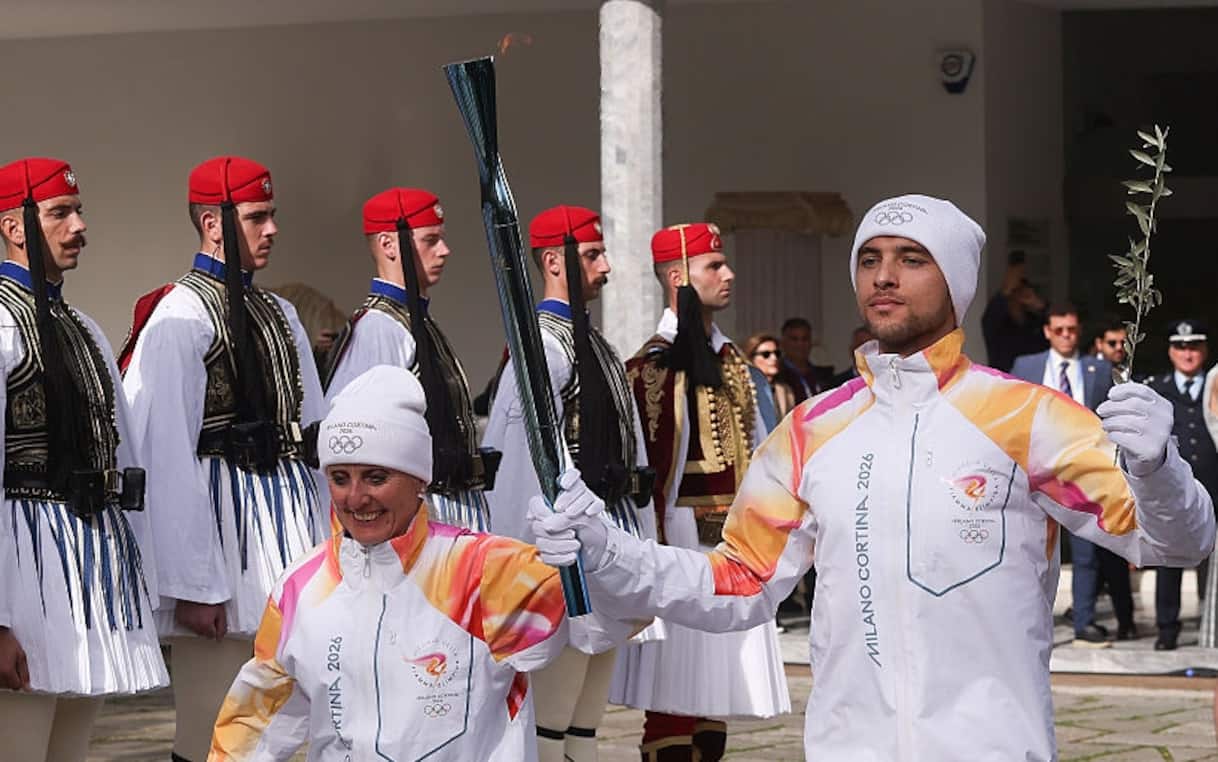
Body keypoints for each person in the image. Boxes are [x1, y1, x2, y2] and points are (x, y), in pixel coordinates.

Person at [530, 194, 1215, 761]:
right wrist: (608, 549)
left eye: (911, 259)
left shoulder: (1027, 416)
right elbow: (738, 584)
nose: (884, 276)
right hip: (847, 746)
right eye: (869, 259)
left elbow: (1172, 544)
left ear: (957, 281)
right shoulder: (811, 431)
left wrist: (1159, 471)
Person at [210, 365, 629, 761]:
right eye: (340, 478)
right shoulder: (300, 589)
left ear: (419, 479)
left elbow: (608, 615)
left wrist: (598, 557)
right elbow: (253, 723)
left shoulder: (482, 571)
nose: (355, 499)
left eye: (376, 477)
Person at [120, 156, 328, 762]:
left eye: (271, 215)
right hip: (222, 548)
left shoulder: (282, 316)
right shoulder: (179, 317)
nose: (273, 229)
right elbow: (167, 455)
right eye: (257, 216)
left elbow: (314, 439)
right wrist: (193, 585)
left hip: (288, 537)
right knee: (214, 731)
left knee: (289, 727)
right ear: (213, 223)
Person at [0, 157, 167, 761]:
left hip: (90, 566)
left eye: (77, 210)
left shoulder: (86, 329)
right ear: (15, 226)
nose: (79, 226)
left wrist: (139, 575)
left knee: (68, 751)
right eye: (59, 213)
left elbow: (125, 459)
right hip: (22, 572)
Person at [483, 205, 659, 762]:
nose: (605, 266)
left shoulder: (592, 342)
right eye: (592, 254)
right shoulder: (542, 345)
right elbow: (521, 464)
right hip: (567, 554)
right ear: (554, 261)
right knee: (553, 719)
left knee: (586, 721)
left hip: (606, 544)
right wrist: (530, 567)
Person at [614, 223, 789, 761]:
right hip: (681, 541)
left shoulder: (732, 357)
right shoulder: (653, 364)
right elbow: (650, 471)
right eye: (714, 265)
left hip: (732, 541)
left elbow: (760, 448)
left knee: (716, 689)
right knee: (674, 694)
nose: (728, 274)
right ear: (677, 277)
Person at [322, 187, 494, 531]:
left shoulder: (415, 324)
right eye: (431, 240)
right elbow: (360, 439)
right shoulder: (379, 328)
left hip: (447, 510)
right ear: (389, 245)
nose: (444, 251)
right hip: (421, 519)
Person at [1011, 304, 1133, 644]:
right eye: (1060, 329)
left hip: (1081, 474)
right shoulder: (1026, 366)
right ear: (1048, 331)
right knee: (1028, 549)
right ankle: (1026, 622)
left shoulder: (1097, 367)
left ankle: (1084, 621)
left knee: (1086, 553)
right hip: (1034, 470)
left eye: (1072, 330)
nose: (1066, 335)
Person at [1145, 320, 1218, 651]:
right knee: (1169, 558)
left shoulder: (1215, 385)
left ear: (1204, 350)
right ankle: (1167, 628)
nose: (1188, 353)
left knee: (1213, 563)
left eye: (1194, 346)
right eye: (1181, 347)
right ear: (1171, 351)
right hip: (1172, 490)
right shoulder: (1156, 388)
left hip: (1213, 487)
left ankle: (1211, 624)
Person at [980, 249, 1048, 372]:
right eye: (1016, 293)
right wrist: (1007, 290)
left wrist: (1039, 305)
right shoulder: (997, 323)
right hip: (1006, 384)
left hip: (1034, 384)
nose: (1019, 298)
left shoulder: (1036, 323)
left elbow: (1055, 325)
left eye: (1024, 293)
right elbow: (991, 315)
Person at [744, 332, 796, 429]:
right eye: (766, 354)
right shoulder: (744, 389)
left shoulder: (785, 390)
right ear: (751, 359)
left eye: (777, 353)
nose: (774, 358)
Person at [776, 317, 834, 404]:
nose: (800, 344)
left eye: (805, 339)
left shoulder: (823, 375)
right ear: (783, 343)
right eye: (794, 339)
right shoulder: (777, 376)